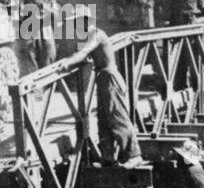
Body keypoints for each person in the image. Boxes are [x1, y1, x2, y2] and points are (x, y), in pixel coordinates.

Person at [55, 9, 143, 167]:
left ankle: (134, 155)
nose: (76, 26)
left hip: (110, 78)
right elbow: (84, 56)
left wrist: (68, 61)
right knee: (103, 119)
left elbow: (83, 53)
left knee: (117, 116)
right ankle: (108, 158)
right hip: (102, 79)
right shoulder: (88, 36)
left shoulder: (96, 34)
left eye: (78, 22)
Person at [19, 0, 58, 72]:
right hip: (32, 35)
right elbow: (21, 18)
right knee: (33, 66)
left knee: (49, 64)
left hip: (46, 33)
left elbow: (57, 14)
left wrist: (46, 8)